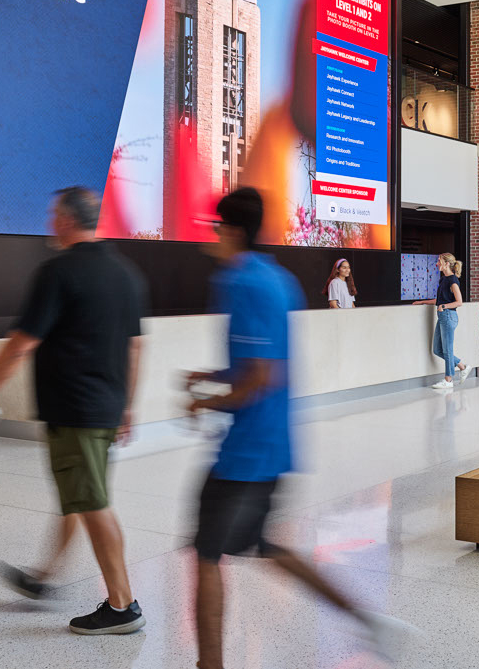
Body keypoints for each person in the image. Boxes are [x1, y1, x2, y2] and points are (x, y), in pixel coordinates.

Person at [185, 187, 412, 668]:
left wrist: (210, 402)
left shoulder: (241, 282)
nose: (211, 236)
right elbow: (261, 361)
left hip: (245, 452)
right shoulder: (278, 279)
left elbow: (261, 376)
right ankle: (367, 620)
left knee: (207, 554)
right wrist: (208, 377)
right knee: (268, 547)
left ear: (232, 230)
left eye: (215, 227)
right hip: (274, 447)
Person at [0, 186, 146, 635]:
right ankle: (43, 578)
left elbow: (22, 344)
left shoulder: (57, 272)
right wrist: (128, 408)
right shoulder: (125, 274)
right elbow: (135, 348)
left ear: (66, 220)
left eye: (52, 215)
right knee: (78, 497)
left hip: (75, 410)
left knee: (91, 501)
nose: (49, 222)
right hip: (104, 407)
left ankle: (123, 605)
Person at [429, 253, 466, 389]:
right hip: (443, 316)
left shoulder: (453, 280)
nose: (437, 263)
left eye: (439, 261)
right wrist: (421, 301)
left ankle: (448, 380)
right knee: (437, 349)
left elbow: (459, 302)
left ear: (446, 264)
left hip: (448, 316)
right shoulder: (443, 280)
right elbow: (440, 300)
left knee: (447, 350)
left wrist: (444, 306)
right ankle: (462, 366)